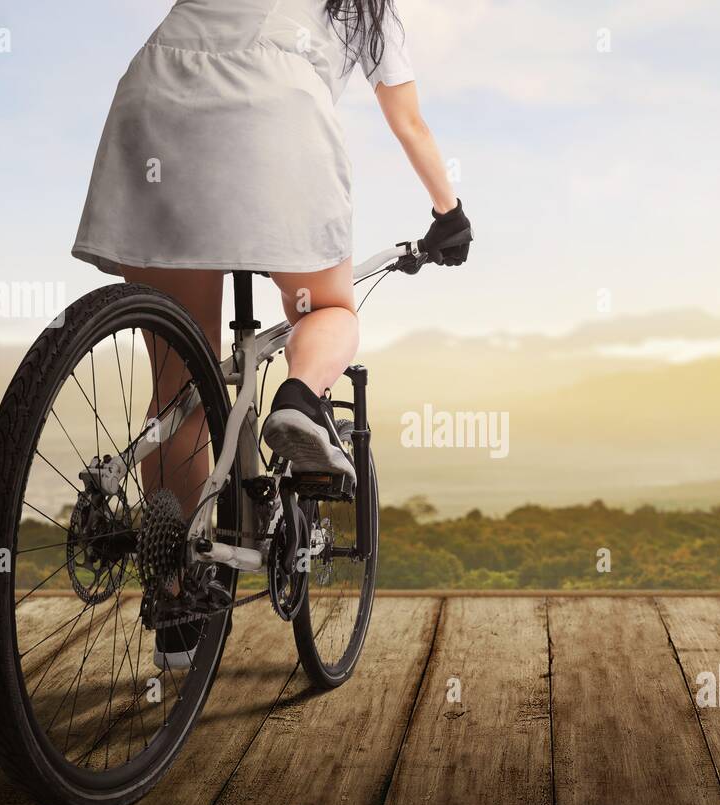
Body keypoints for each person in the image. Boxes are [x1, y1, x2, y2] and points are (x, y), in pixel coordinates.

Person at [71, 0, 470, 664]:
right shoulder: (371, 9)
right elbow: (410, 122)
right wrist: (449, 214)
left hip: (155, 104)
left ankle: (175, 603)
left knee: (180, 390)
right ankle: (299, 399)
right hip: (273, 118)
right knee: (327, 311)